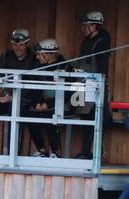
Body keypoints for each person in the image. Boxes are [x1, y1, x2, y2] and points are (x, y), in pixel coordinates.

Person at [0, 29, 35, 155]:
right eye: (15, 45)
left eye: (21, 45)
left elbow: (35, 88)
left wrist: (12, 98)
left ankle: (13, 152)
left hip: (25, 101)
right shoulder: (6, 57)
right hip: (6, 99)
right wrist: (0, 90)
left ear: (26, 44)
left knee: (14, 109)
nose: (18, 48)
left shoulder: (34, 60)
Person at [75, 10, 112, 158]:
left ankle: (96, 151)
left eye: (86, 25)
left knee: (98, 116)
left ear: (95, 26)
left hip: (96, 83)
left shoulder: (103, 39)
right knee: (85, 116)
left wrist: (98, 83)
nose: (83, 28)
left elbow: (101, 65)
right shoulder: (87, 40)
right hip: (83, 82)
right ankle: (85, 151)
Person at [25, 38, 68, 157]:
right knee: (30, 115)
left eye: (40, 54)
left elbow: (67, 93)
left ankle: (55, 152)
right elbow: (33, 88)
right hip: (41, 104)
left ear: (50, 54)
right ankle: (41, 150)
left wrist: (48, 104)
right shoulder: (38, 67)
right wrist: (37, 103)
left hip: (61, 104)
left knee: (51, 116)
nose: (37, 57)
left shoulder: (64, 67)